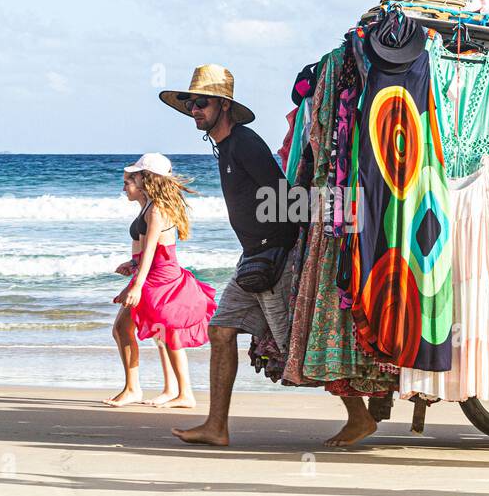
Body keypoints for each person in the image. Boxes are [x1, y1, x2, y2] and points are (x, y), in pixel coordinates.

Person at [158, 64, 380, 447]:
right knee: (221, 330)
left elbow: (282, 196)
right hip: (254, 259)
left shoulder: (244, 143)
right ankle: (216, 425)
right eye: (191, 103)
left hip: (272, 262)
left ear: (223, 106)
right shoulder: (225, 145)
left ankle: (360, 417)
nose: (195, 109)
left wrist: (283, 255)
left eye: (202, 103)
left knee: (299, 340)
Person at [106, 153, 216, 408]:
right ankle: (171, 390)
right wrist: (132, 265)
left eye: (129, 180)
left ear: (146, 179)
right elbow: (146, 251)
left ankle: (150, 390)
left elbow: (154, 252)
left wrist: (135, 285)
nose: (124, 186)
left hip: (160, 277)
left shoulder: (157, 210)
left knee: (137, 330)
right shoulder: (149, 207)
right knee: (161, 333)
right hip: (153, 273)